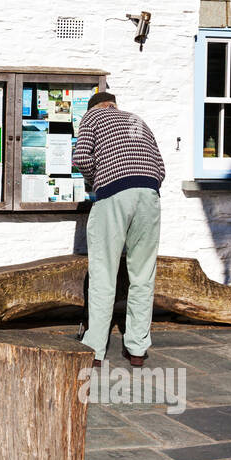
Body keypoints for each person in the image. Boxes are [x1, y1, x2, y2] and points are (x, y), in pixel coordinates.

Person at [70, 92, 165, 369]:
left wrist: (96, 182)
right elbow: (160, 167)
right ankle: (137, 349)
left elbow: (81, 158)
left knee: (103, 271)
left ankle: (95, 349)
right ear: (114, 105)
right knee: (143, 273)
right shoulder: (138, 120)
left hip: (113, 193)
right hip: (149, 193)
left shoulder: (92, 117)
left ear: (94, 107)